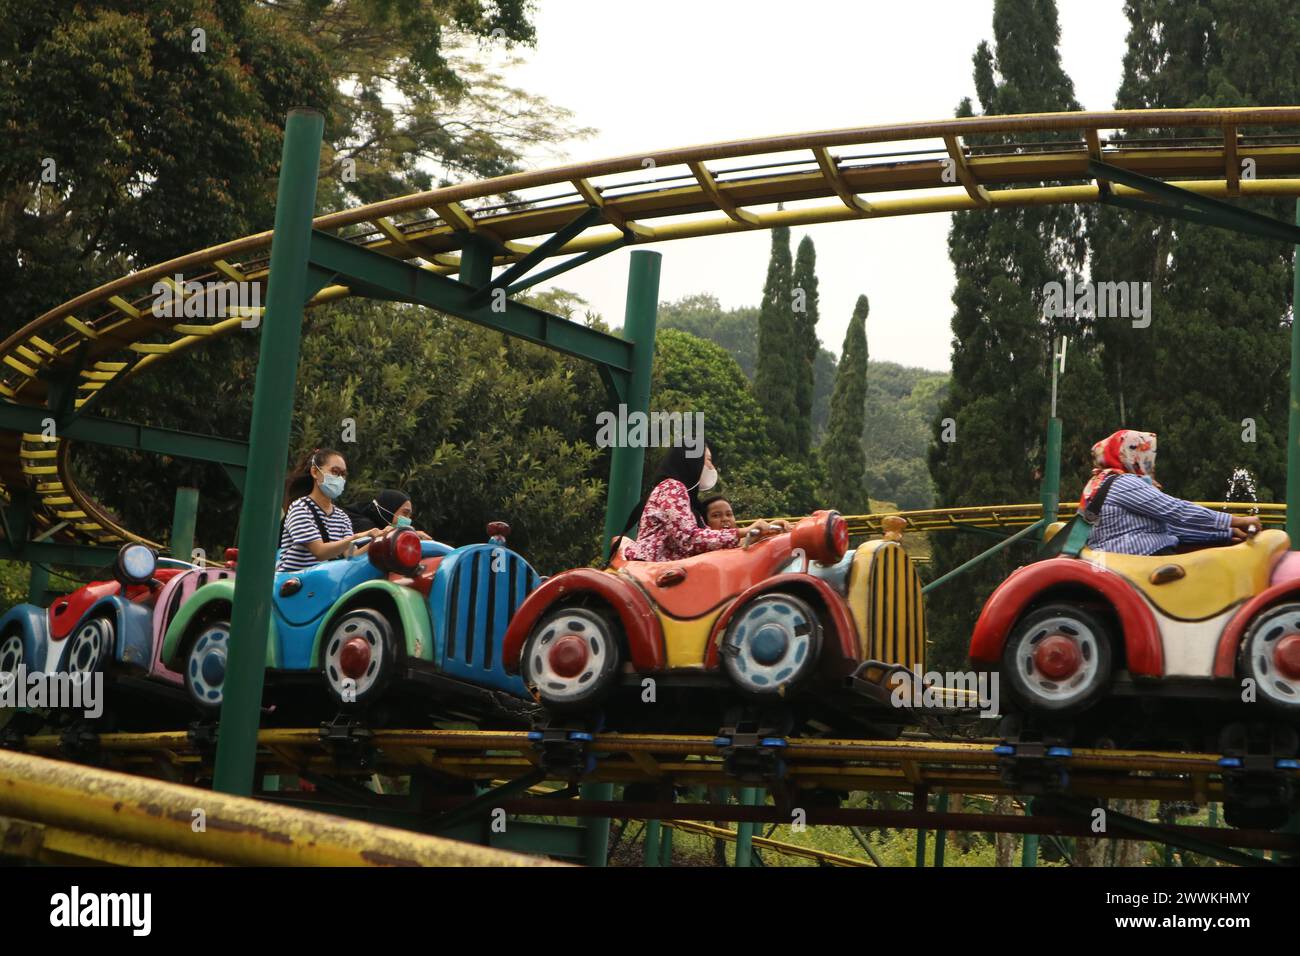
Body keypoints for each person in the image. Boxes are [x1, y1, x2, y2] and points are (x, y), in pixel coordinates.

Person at [1081, 429, 1258, 556]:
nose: (1150, 464)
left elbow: (1166, 527)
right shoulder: (1123, 483)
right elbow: (1176, 511)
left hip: (1129, 557)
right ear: (1129, 456)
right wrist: (1238, 520)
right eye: (1145, 456)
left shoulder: (1100, 482)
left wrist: (1226, 533)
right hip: (1142, 558)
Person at [618, 446, 786, 563]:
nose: (711, 467)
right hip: (655, 575)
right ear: (691, 460)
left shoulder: (689, 500)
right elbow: (690, 539)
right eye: (707, 460)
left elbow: (707, 544)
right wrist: (746, 530)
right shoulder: (673, 488)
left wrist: (766, 533)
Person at [277, 448, 382, 572]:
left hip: (322, 585)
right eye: (335, 472)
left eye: (343, 474)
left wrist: (380, 539)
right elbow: (320, 552)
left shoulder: (342, 517)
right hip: (294, 586)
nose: (340, 479)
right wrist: (362, 535)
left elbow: (350, 554)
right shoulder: (300, 508)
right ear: (315, 472)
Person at [351, 489, 434, 541]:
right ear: (388, 509)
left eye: (410, 515)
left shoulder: (380, 525)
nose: (408, 519)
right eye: (405, 513)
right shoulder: (363, 525)